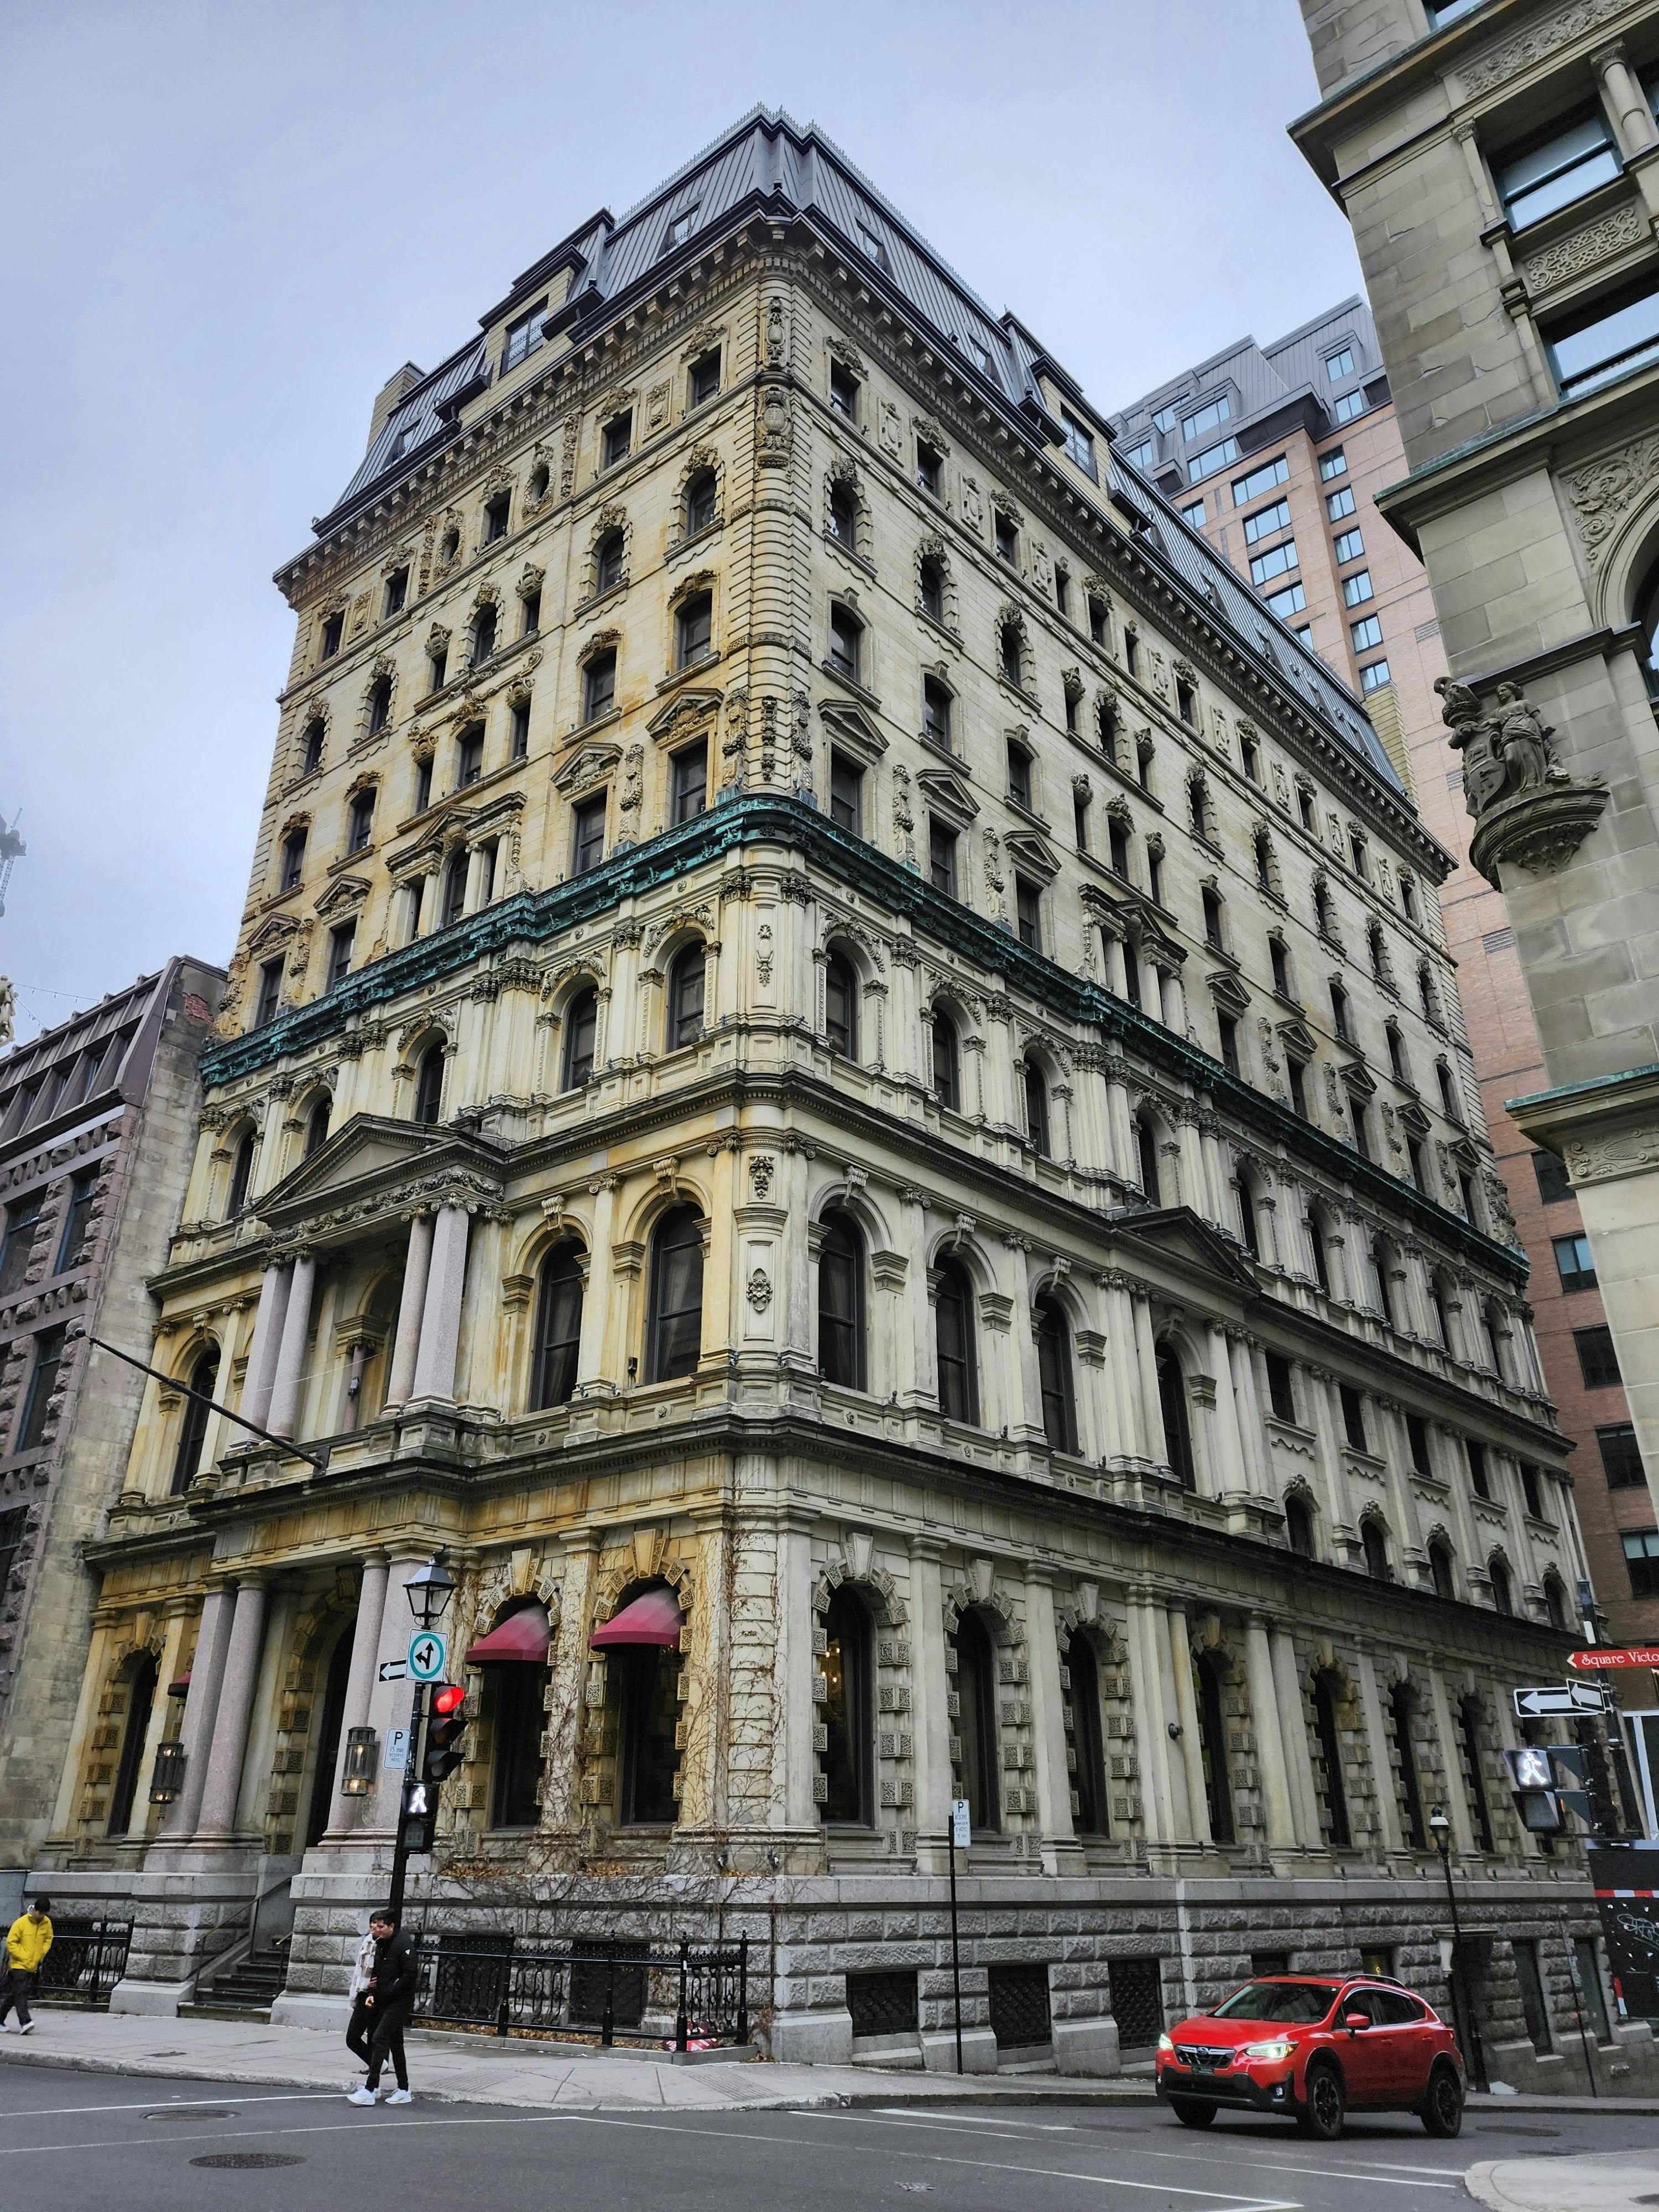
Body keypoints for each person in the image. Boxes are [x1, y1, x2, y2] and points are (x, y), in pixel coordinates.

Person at [345, 1907, 416, 2105]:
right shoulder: (380, 1943)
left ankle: (371, 2089)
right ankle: (404, 2089)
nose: (376, 1929)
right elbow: (377, 1974)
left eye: (381, 1926)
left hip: (399, 2001)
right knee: (396, 2045)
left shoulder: (404, 1944)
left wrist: (390, 1990)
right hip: (384, 1999)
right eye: (374, 1925)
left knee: (379, 2038)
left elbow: (410, 1974)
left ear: (391, 1926)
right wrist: (373, 1994)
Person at [1, 1896, 53, 2034]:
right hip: (19, 1964)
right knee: (22, 1992)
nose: (42, 1916)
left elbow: (48, 1939)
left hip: (32, 1965)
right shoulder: (21, 1923)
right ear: (35, 1910)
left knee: (14, 1994)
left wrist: (41, 1954)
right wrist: (24, 1956)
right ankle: (25, 2021)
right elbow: (11, 1943)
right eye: (40, 1913)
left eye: (45, 1914)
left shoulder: (46, 1923)